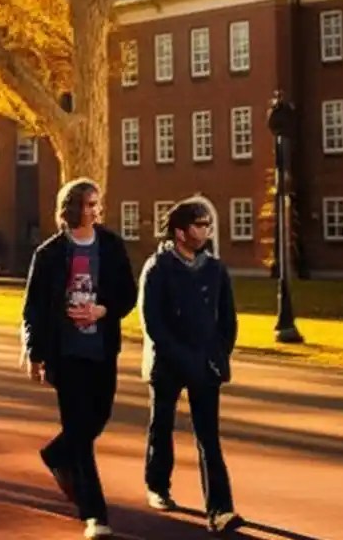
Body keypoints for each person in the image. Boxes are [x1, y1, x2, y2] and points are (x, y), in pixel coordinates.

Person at [21, 178, 137, 539]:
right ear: (70, 208)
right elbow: (33, 309)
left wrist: (102, 310)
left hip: (102, 349)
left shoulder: (112, 246)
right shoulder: (49, 253)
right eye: (86, 204)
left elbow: (128, 294)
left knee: (97, 418)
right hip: (66, 352)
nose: (93, 210)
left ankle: (56, 454)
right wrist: (35, 354)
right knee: (80, 432)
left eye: (96, 204)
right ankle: (95, 515)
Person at [140, 199, 243, 535]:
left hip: (205, 366)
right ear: (180, 231)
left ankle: (221, 509)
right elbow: (153, 323)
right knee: (162, 426)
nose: (204, 230)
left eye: (207, 225)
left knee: (209, 438)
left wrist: (217, 356)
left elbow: (227, 320)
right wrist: (180, 356)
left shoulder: (215, 270)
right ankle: (158, 486)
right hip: (167, 364)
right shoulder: (157, 268)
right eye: (198, 225)